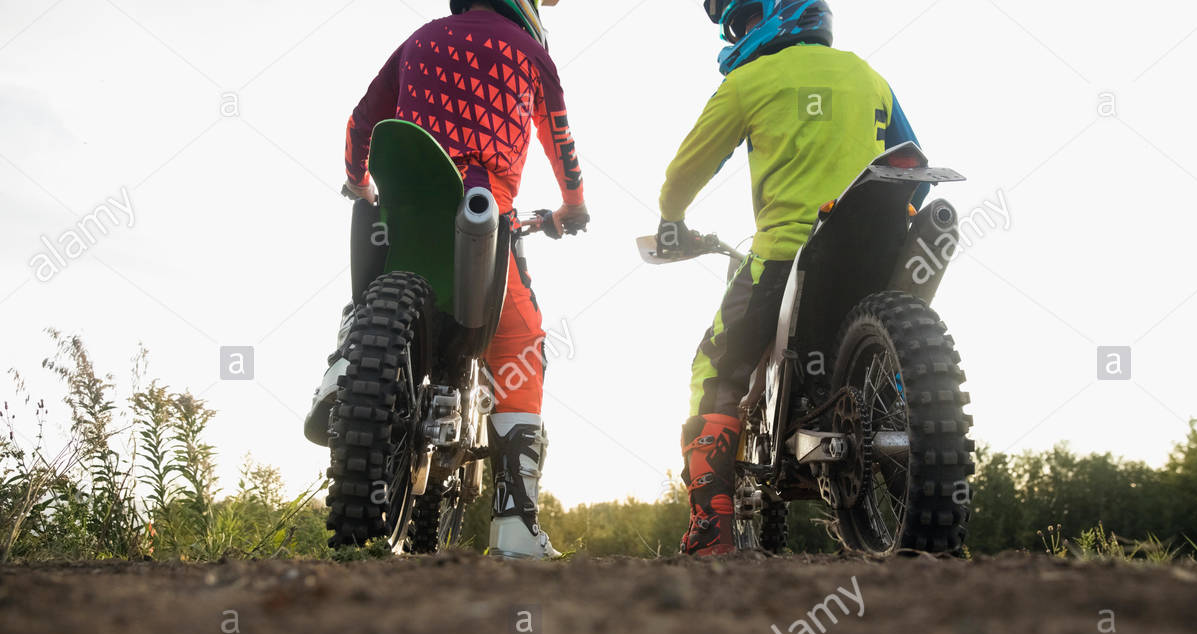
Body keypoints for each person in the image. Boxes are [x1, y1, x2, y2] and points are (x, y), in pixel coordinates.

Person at [305, 0, 588, 559]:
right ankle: (515, 523)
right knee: (520, 344)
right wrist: (572, 206)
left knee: (368, 288)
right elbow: (562, 145)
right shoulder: (532, 52)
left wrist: (357, 181)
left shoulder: (420, 39)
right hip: (483, 218)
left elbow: (362, 120)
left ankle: (345, 363)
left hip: (403, 216)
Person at [657, 0, 928, 556]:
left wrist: (672, 221)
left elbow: (680, 178)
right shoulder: (868, 75)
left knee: (715, 366)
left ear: (771, 15)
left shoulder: (749, 81)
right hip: (881, 260)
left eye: (743, 20)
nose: (739, 34)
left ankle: (711, 528)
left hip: (784, 256)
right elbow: (916, 165)